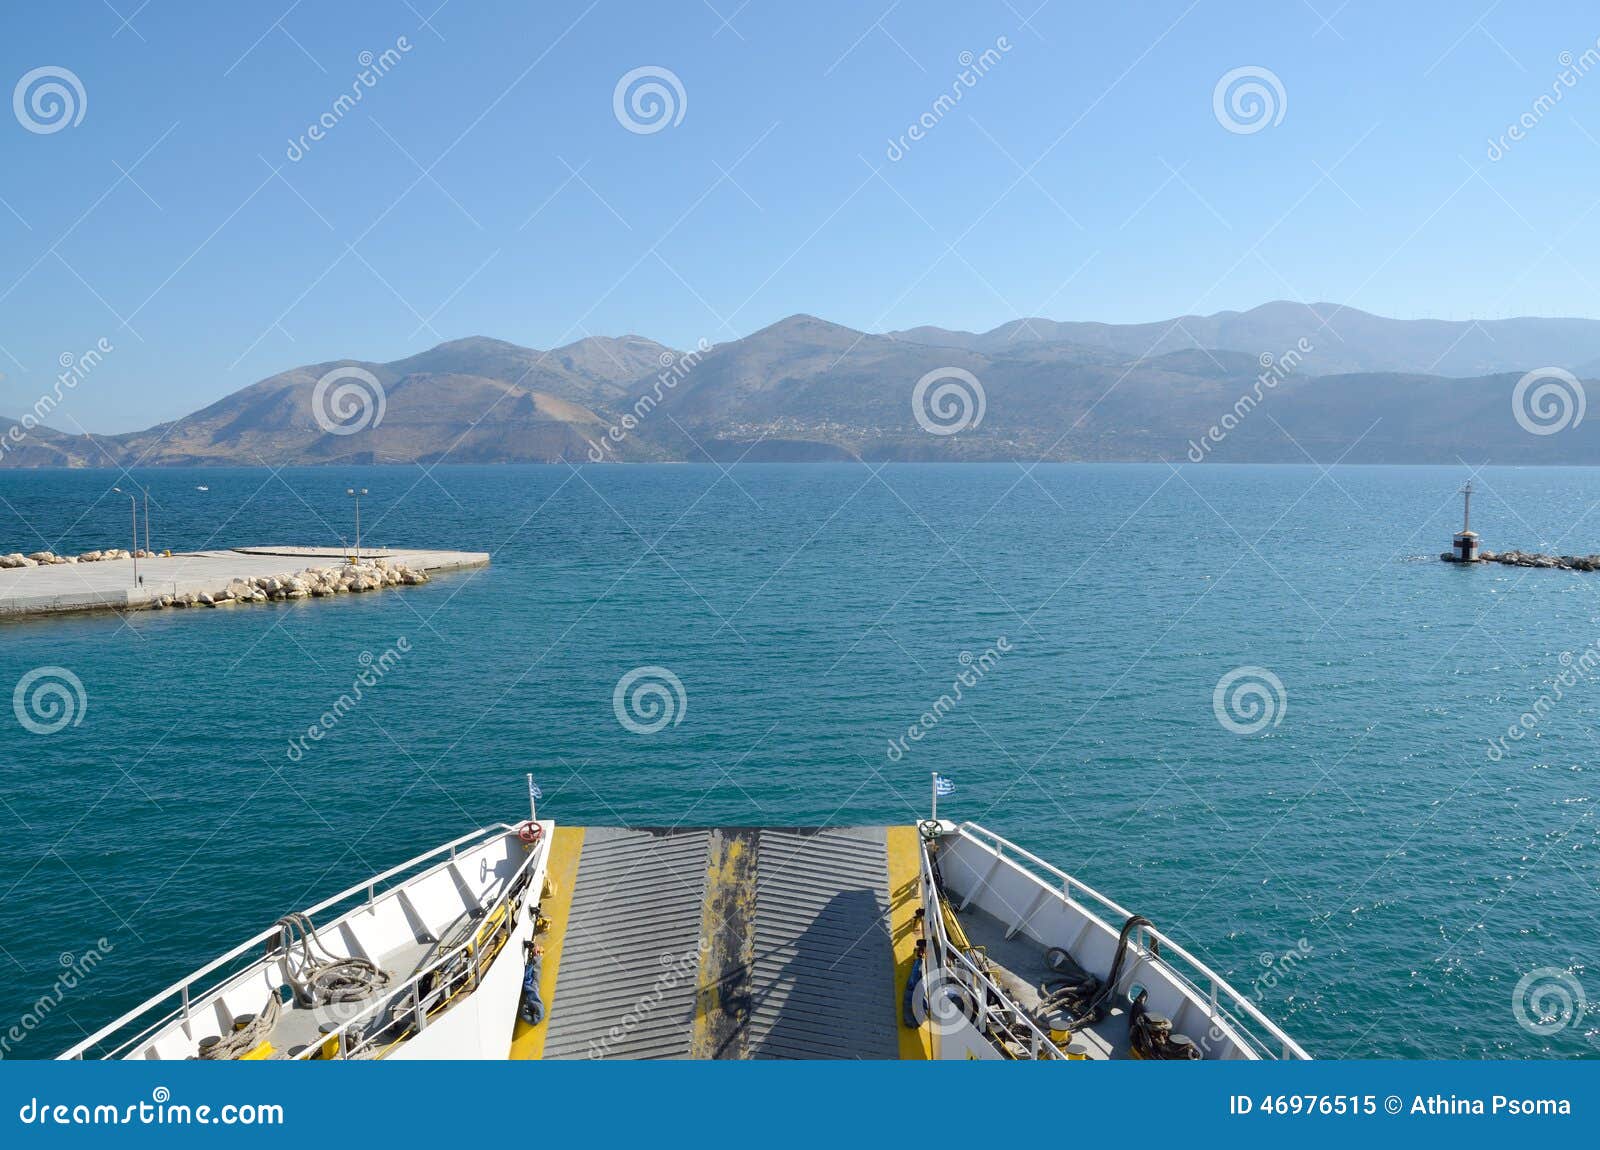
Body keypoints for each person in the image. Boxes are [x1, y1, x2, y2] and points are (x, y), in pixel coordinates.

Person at [519, 941, 545, 1025]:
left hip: (530, 985)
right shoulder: (532, 989)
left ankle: (534, 952)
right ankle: (534, 952)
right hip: (530, 985)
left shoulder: (533, 990)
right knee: (534, 974)